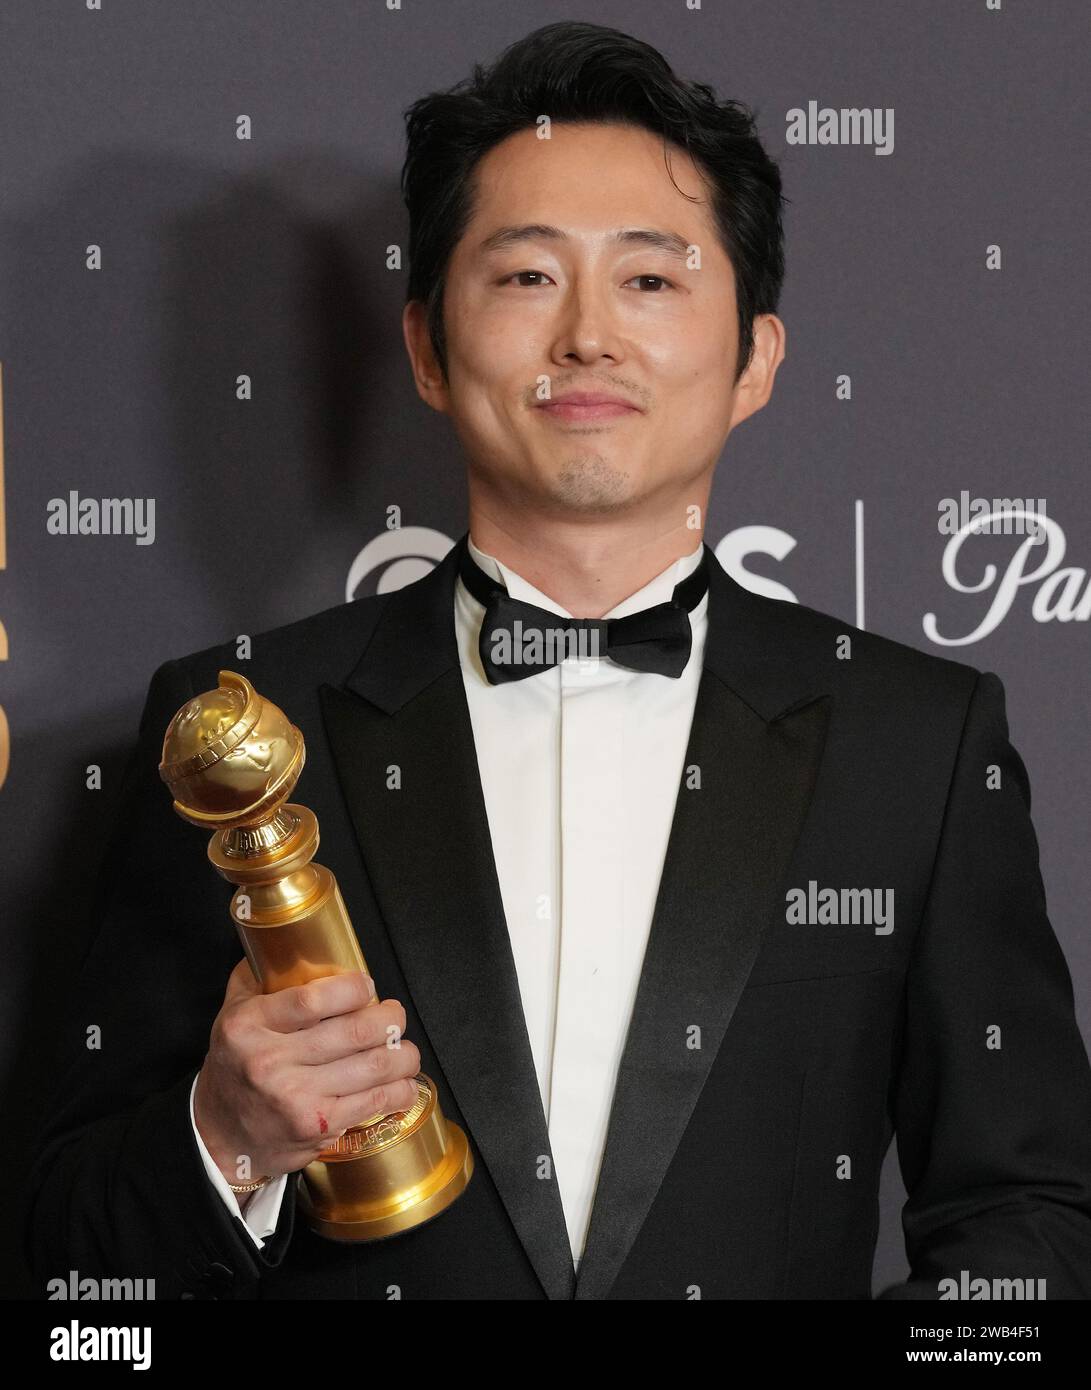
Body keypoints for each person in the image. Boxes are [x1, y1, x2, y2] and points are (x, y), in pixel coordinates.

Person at [25, 20, 1091, 1301]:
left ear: (754, 357)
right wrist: (226, 1139)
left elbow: (1027, 1217)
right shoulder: (234, 733)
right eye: (526, 276)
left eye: (649, 280)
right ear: (424, 348)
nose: (587, 336)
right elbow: (75, 1288)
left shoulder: (917, 741)